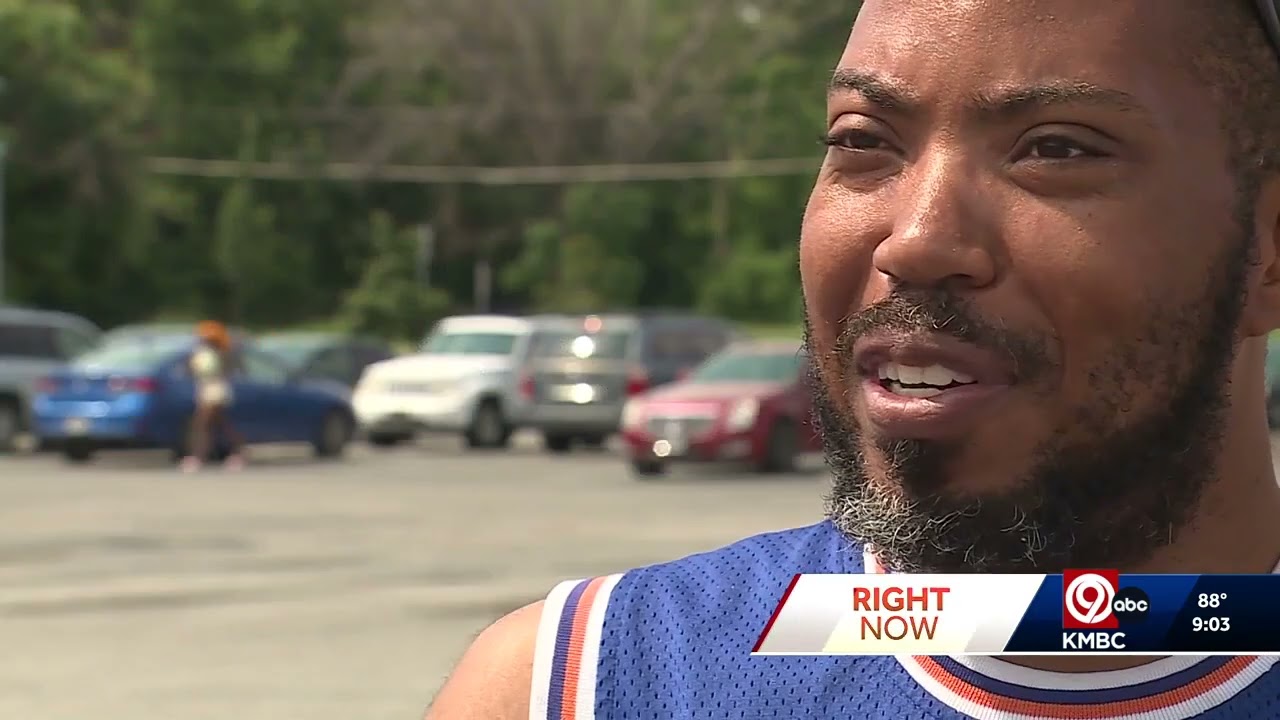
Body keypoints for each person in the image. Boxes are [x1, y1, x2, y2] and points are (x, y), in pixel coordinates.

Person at [428, 0, 1280, 717]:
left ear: (1268, 252)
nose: (917, 241)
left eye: (1056, 148)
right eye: (864, 140)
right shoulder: (584, 684)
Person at [181, 320, 245, 473]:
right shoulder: (200, 353)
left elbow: (228, 370)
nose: (203, 340)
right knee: (221, 425)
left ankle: (198, 457)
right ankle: (238, 453)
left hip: (216, 390)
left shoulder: (222, 353)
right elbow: (191, 371)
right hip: (204, 390)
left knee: (201, 424)